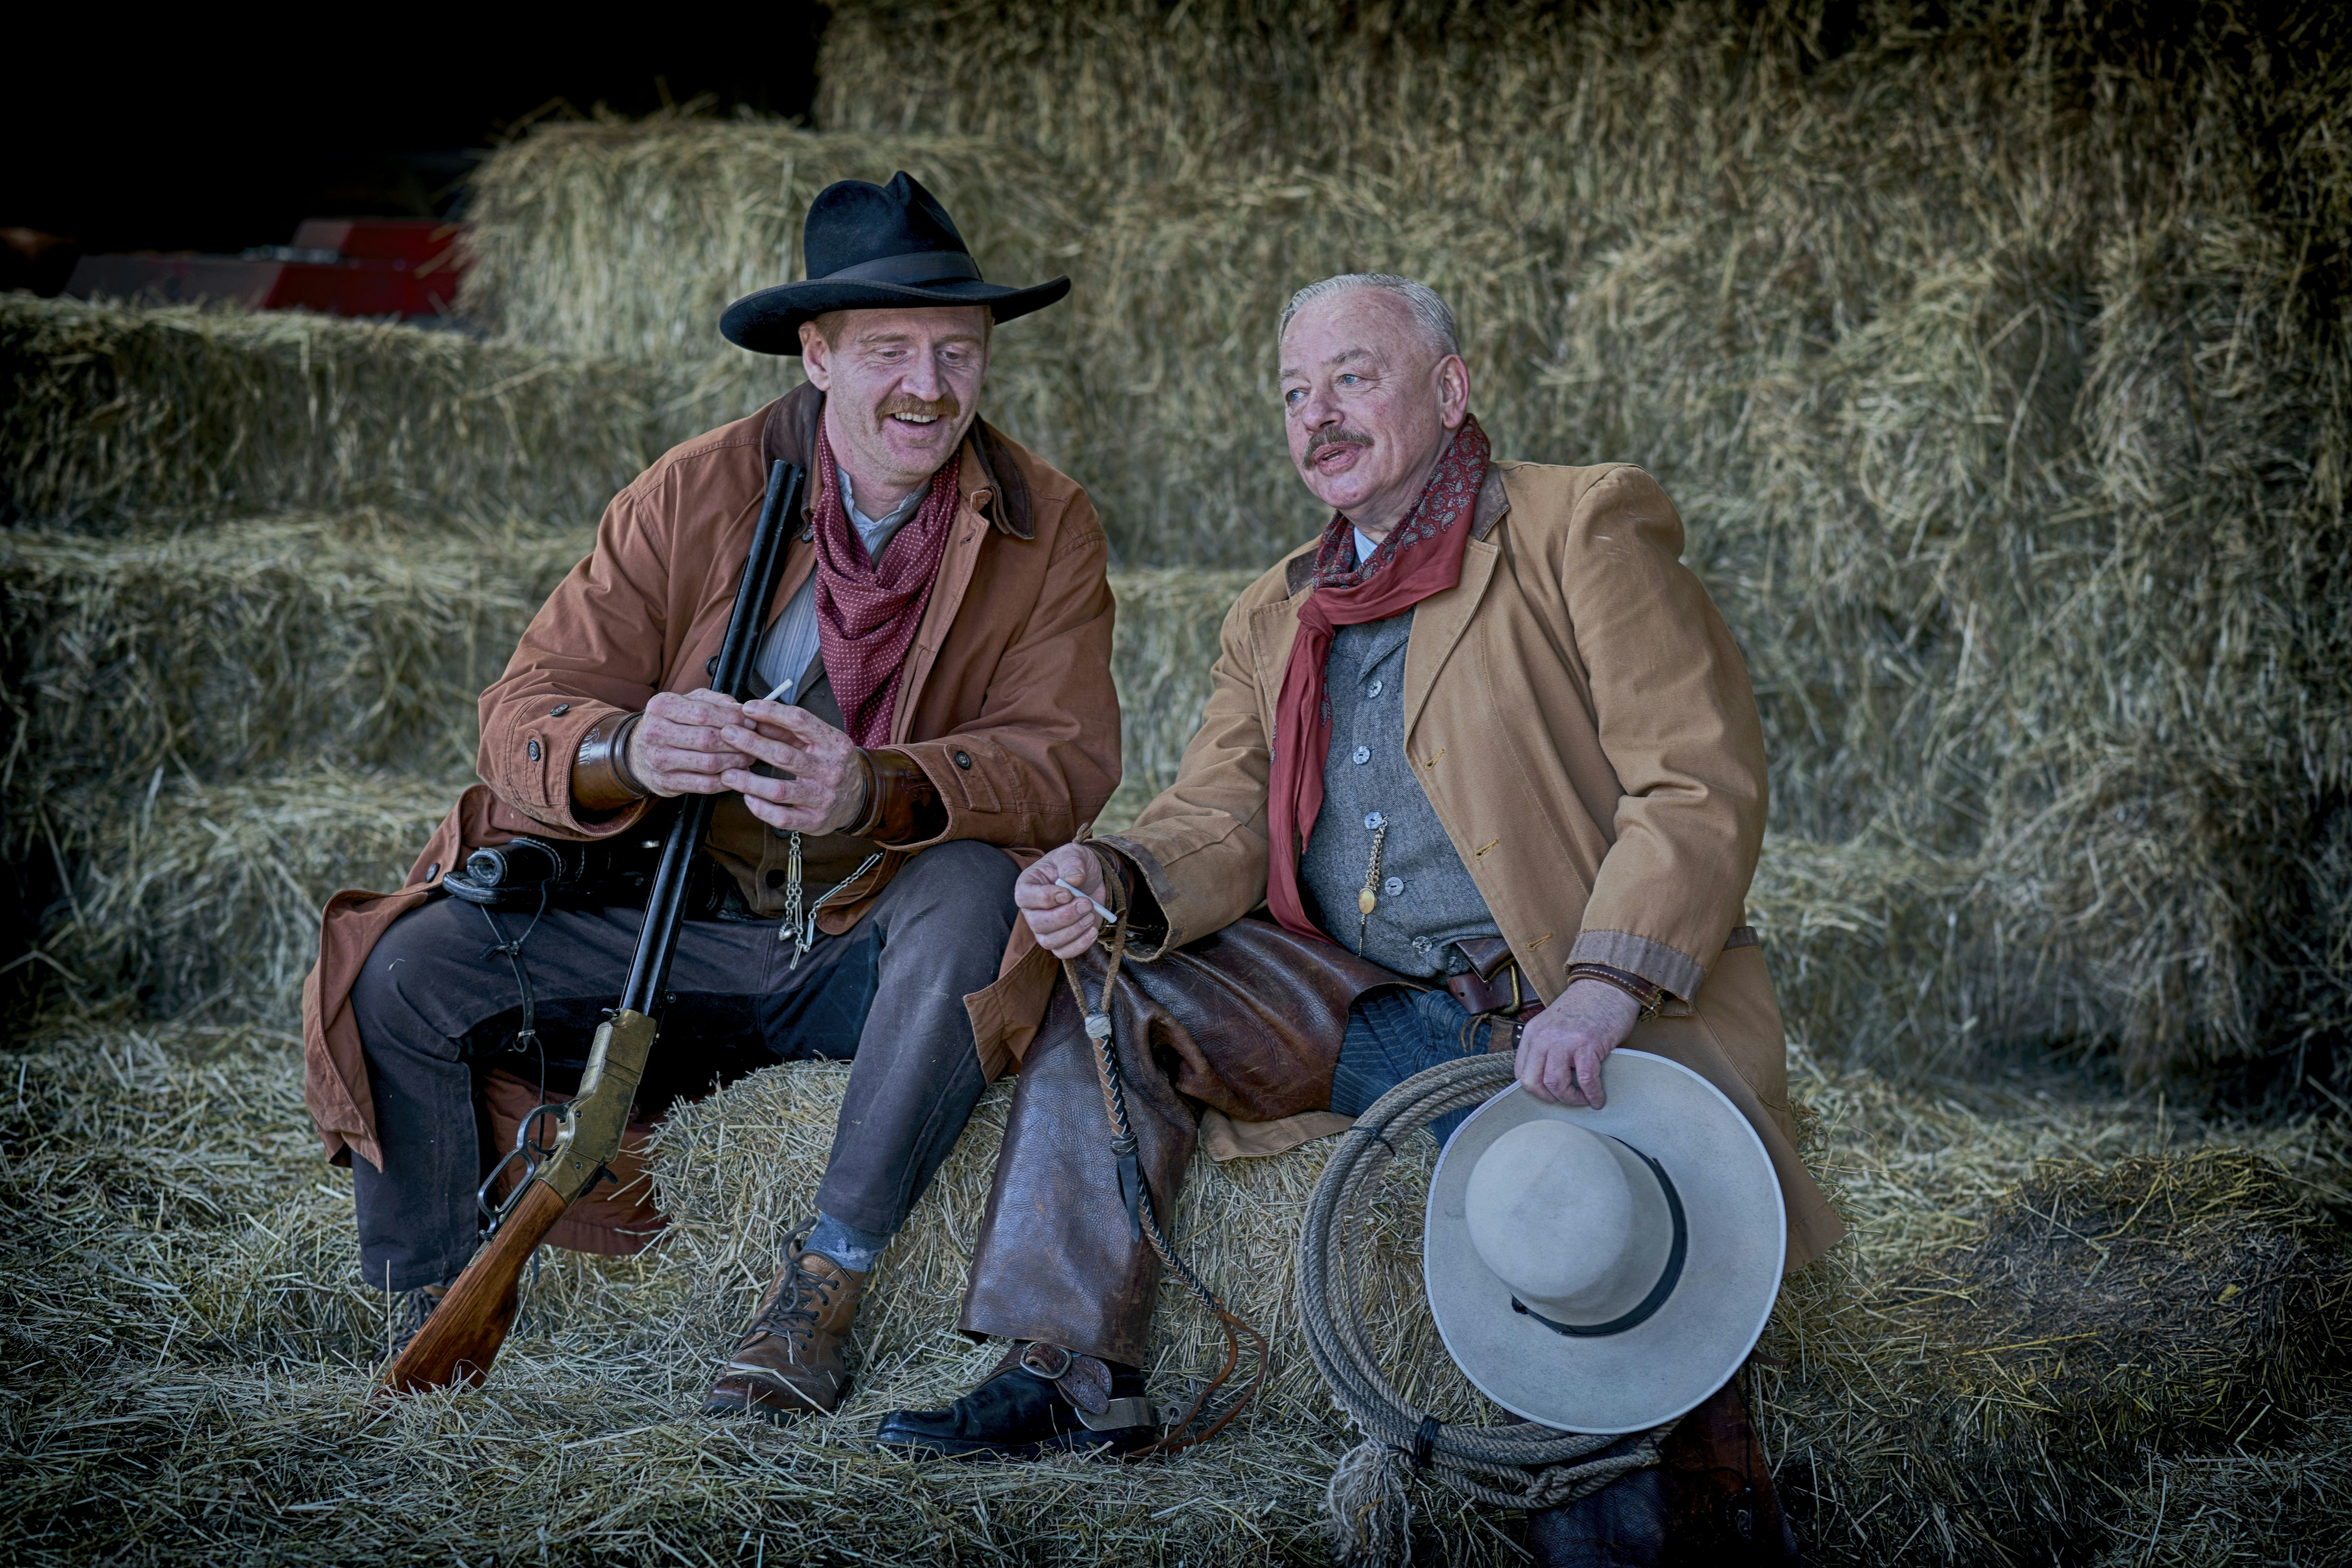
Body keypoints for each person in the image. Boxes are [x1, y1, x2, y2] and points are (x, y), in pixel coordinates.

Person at [873, 274, 1845, 1486]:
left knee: (1624, 1327)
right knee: (1113, 986)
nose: (1317, 414)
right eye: (1294, 392)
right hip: (1366, 1001)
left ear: (1450, 389)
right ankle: (1074, 1376)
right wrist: (1111, 871)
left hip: (1553, 1012)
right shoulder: (1277, 609)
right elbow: (1224, 809)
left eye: (1351, 378)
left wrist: (1607, 984)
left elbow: (1697, 781)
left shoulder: (1578, 527)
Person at [300, 173, 1120, 1422]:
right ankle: (430, 1306)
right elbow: (523, 711)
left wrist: (881, 786)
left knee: (975, 889)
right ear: (816, 357)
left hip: (865, 938)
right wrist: (631, 750)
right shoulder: (692, 490)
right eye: (889, 350)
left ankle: (816, 1297)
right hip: (674, 918)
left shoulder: (1047, 521)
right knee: (403, 969)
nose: (929, 386)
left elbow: (1065, 759)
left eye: (958, 352)